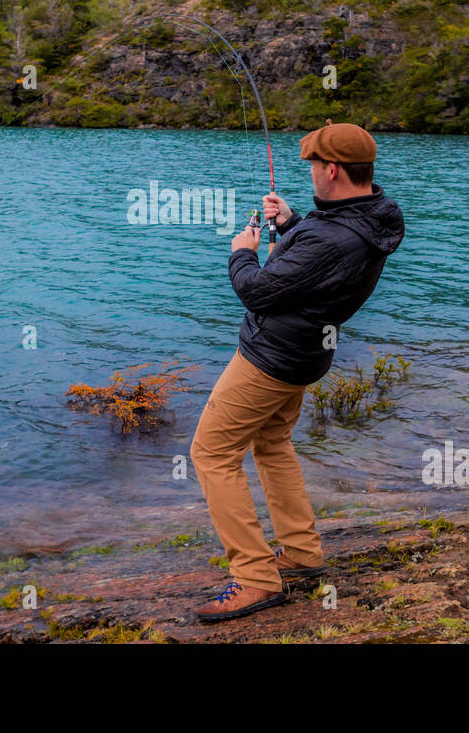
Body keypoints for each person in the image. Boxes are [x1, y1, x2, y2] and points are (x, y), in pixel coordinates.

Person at [189, 120, 406, 622]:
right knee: (271, 443)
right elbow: (320, 262)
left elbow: (259, 290)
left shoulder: (333, 236)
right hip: (305, 355)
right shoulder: (370, 215)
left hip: (270, 359)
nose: (309, 175)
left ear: (331, 170)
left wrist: (241, 253)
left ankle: (255, 578)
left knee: (212, 454)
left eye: (312, 166)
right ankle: (302, 554)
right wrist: (289, 224)